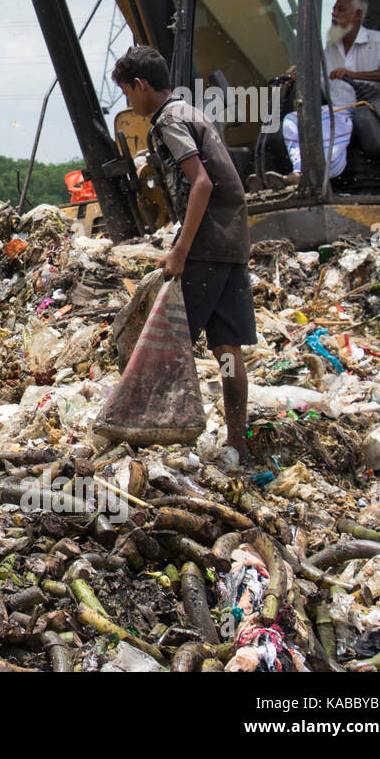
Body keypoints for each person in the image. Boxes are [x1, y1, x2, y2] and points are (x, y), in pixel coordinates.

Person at [112, 46, 256, 464]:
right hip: (232, 244)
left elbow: (202, 183)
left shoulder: (169, 121)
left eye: (127, 94)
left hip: (207, 246)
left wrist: (180, 250)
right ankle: (236, 443)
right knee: (228, 347)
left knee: (166, 341)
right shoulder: (194, 112)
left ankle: (156, 432)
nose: (130, 105)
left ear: (140, 85)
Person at [262, 0, 380, 189]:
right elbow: (321, 83)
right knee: (292, 121)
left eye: (340, 9)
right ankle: (299, 171)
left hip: (371, 106)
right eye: (333, 9)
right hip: (337, 108)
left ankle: (309, 175)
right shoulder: (331, 48)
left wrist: (353, 75)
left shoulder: (379, 40)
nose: (334, 14)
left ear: (357, 15)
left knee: (336, 122)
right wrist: (299, 78)